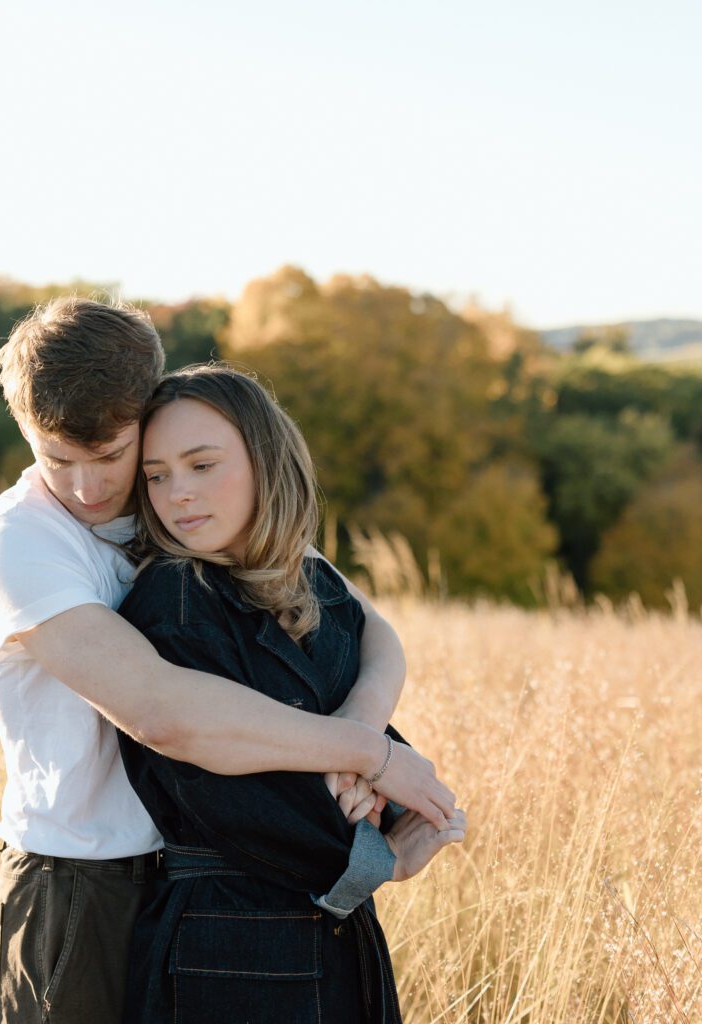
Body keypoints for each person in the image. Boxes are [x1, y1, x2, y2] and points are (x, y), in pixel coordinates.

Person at [0, 298, 459, 1024]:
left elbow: (366, 621)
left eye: (108, 456)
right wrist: (370, 754)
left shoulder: (171, 497)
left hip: (192, 870)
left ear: (146, 413)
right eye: (56, 459)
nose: (86, 488)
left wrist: (362, 739)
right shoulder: (22, 543)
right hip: (78, 883)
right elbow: (162, 714)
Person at [117, 364, 466, 1023]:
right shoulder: (176, 599)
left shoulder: (312, 581)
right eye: (156, 475)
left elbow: (367, 675)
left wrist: (369, 763)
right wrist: (382, 858)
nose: (177, 495)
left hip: (334, 937)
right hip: (223, 946)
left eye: (201, 464)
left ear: (265, 460)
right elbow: (236, 797)